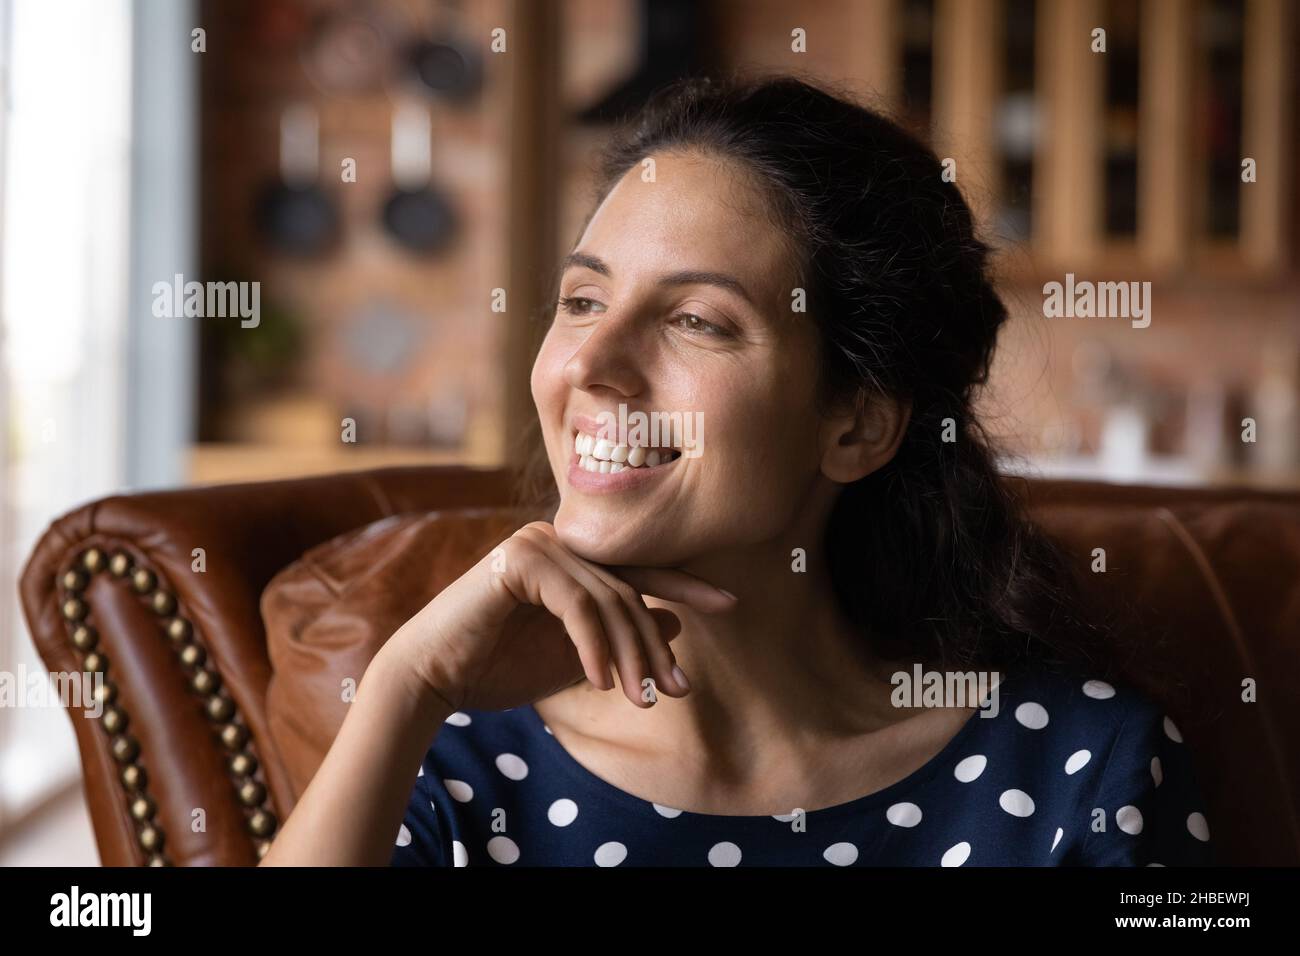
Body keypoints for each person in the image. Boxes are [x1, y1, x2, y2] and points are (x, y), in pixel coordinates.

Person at [261, 73, 1214, 867]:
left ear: (857, 426)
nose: (589, 364)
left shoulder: (1083, 773)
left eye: (697, 321)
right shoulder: (447, 763)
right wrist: (404, 684)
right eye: (583, 299)